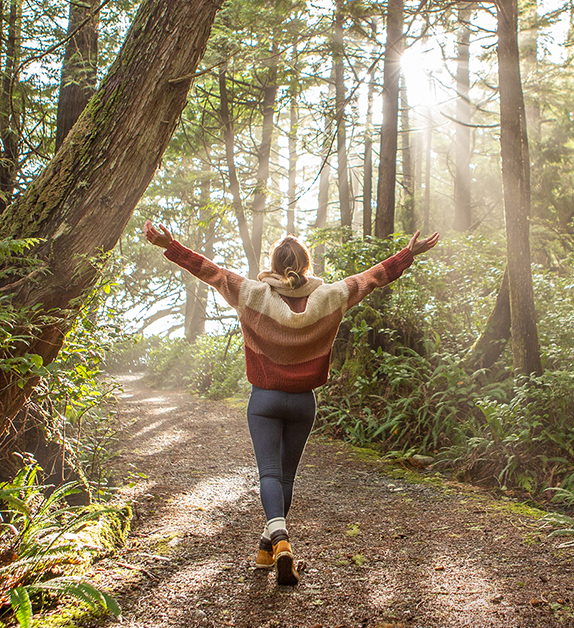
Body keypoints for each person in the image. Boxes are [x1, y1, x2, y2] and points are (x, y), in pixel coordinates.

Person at [144, 220, 439, 585]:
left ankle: (280, 540)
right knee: (285, 477)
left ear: (274, 264)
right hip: (303, 403)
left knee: (269, 474)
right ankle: (266, 548)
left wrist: (170, 246)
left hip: (264, 400)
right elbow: (372, 278)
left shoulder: (252, 293)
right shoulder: (330, 296)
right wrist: (408, 254)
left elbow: (210, 271)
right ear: (305, 265)